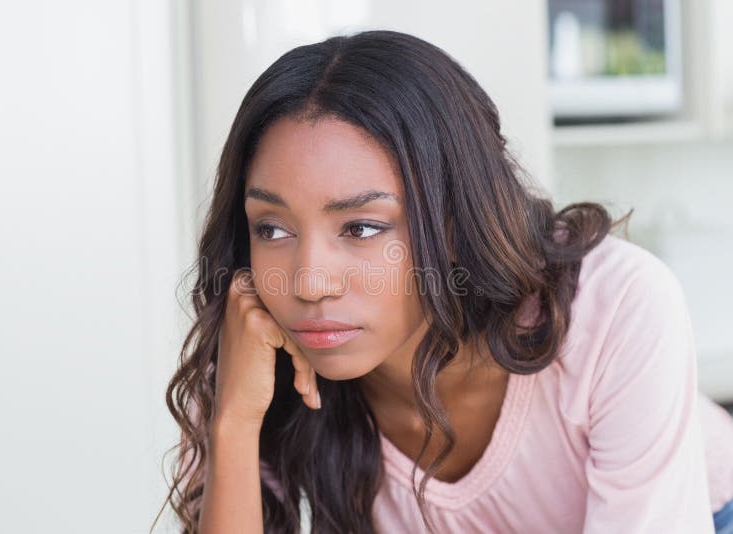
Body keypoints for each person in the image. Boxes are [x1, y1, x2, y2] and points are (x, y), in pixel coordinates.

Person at [154, 30, 733, 533]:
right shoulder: (255, 351)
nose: (308, 283)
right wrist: (233, 421)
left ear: (457, 221)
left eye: (360, 226)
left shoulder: (617, 308)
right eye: (273, 228)